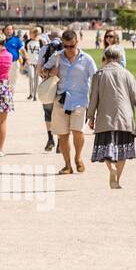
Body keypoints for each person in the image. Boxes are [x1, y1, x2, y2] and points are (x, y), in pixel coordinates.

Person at [86, 45, 136, 189]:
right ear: (119, 58)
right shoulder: (127, 74)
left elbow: (93, 97)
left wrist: (91, 117)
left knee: (105, 147)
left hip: (105, 118)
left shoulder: (99, 74)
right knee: (123, 149)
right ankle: (117, 179)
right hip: (125, 118)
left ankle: (111, 168)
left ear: (105, 58)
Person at [40, 28, 97, 174]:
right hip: (60, 100)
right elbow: (42, 71)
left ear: (77, 42)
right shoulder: (57, 57)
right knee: (63, 135)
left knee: (78, 132)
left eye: (72, 46)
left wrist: (96, 102)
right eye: (65, 46)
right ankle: (67, 165)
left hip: (80, 101)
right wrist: (49, 72)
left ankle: (78, 158)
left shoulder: (87, 59)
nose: (69, 49)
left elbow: (96, 79)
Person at [37, 30, 63, 151]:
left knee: (48, 113)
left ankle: (50, 138)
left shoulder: (44, 49)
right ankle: (60, 143)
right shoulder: (64, 49)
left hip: (48, 85)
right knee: (60, 115)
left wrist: (45, 75)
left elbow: (39, 70)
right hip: (62, 85)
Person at [23, 26, 44, 101]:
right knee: (31, 77)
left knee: (36, 79)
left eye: (30, 33)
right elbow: (24, 51)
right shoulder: (27, 42)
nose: (29, 34)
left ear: (34, 34)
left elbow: (43, 52)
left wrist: (42, 63)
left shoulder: (40, 42)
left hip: (38, 63)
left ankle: (35, 95)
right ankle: (31, 94)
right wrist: (25, 59)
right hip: (30, 62)